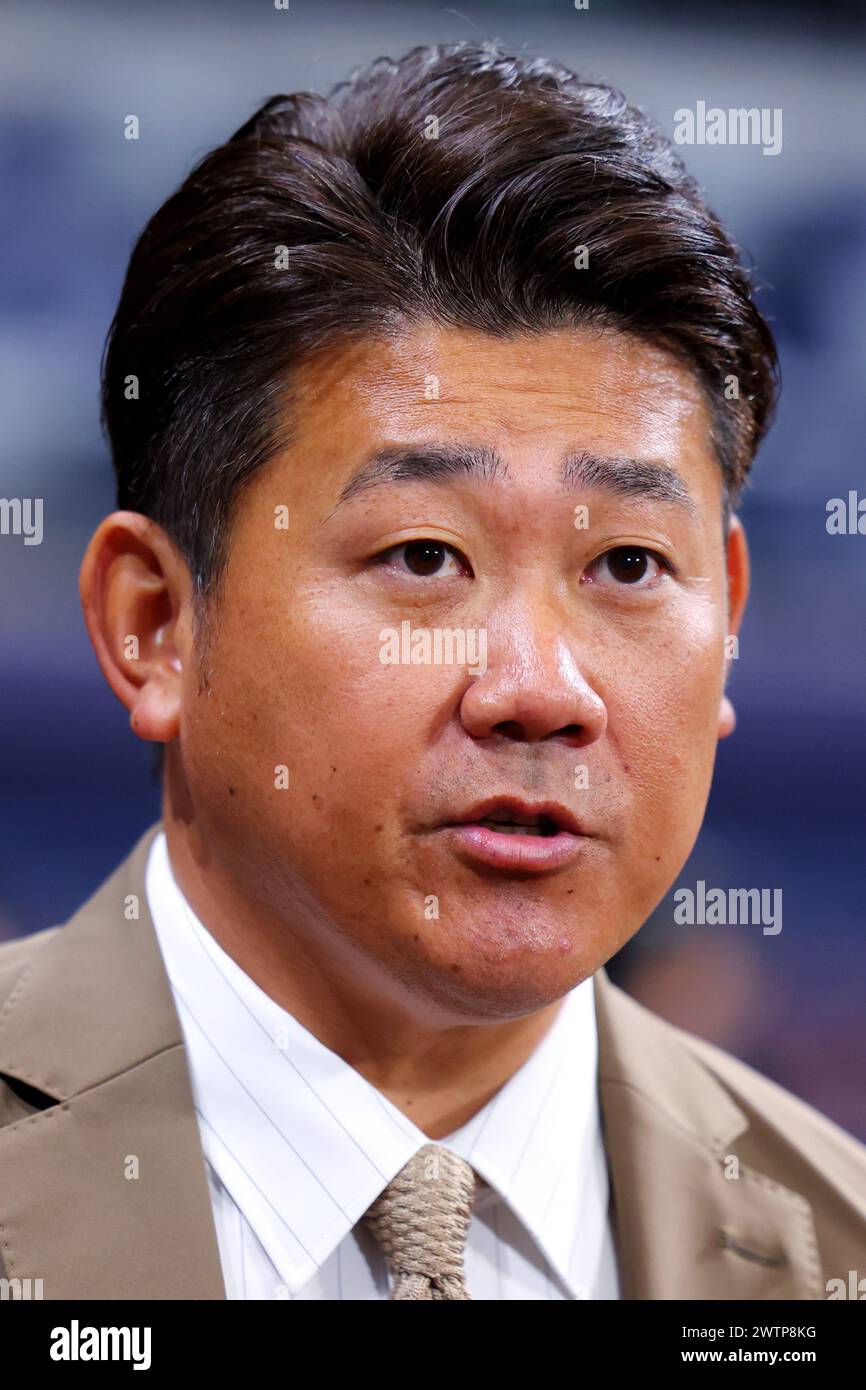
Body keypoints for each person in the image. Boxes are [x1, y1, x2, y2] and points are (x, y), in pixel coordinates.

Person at [1, 40, 863, 1301]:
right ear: (154, 623)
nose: (539, 688)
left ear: (727, 615)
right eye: (423, 554)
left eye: (626, 565)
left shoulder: (829, 1255)